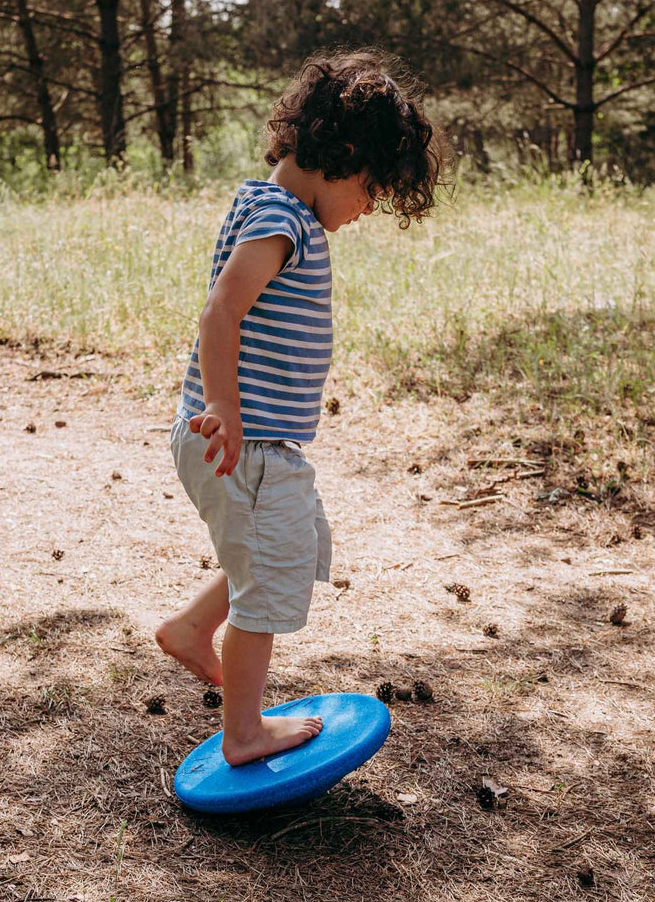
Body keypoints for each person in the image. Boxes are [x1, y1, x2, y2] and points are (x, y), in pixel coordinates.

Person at [156, 48, 442, 766]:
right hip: (240, 443)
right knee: (271, 579)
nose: (369, 208)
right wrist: (228, 405)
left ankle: (193, 627)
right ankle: (243, 732)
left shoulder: (277, 209)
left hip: (258, 447)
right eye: (372, 190)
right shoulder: (282, 218)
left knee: (293, 546)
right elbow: (221, 312)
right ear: (345, 154)